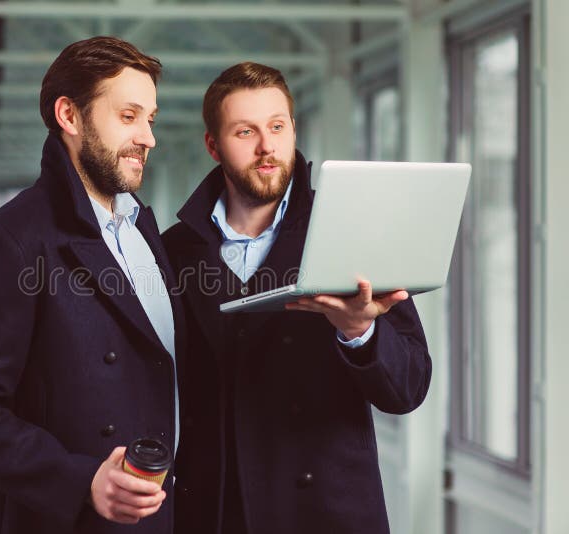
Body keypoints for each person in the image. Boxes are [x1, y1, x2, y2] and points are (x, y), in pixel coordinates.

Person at [0, 36, 185, 534]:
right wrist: (81, 480)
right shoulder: (8, 242)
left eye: (150, 119)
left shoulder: (142, 231)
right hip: (56, 519)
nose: (148, 138)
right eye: (128, 117)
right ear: (69, 116)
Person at [162, 62, 431, 534]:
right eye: (245, 131)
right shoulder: (174, 250)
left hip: (328, 513)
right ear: (213, 146)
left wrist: (360, 331)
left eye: (277, 127)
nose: (266, 146)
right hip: (216, 512)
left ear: (292, 129)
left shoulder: (351, 231)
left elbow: (408, 388)